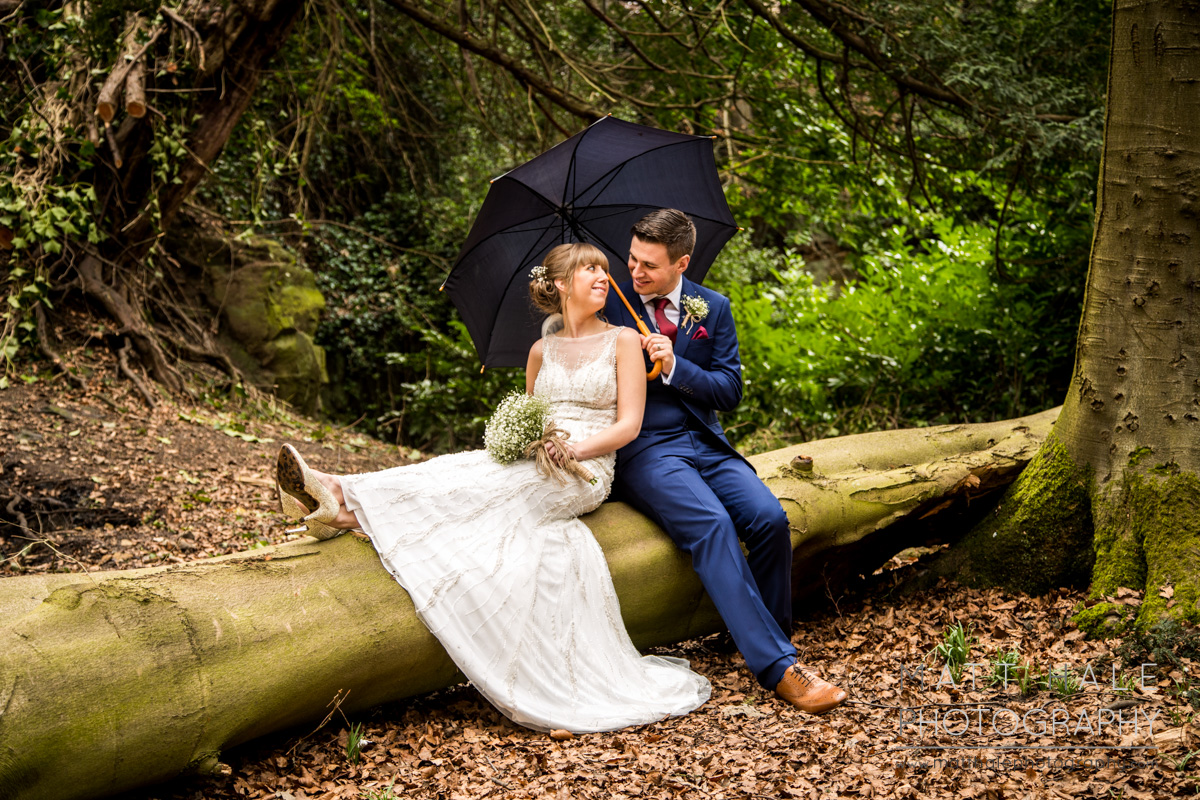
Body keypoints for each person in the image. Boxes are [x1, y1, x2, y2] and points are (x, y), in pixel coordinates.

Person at [274, 242, 710, 733]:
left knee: (489, 489)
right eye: (589, 269)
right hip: (536, 458)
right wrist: (527, 441)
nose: (603, 277)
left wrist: (574, 450)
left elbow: (629, 426)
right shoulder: (540, 351)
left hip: (585, 471)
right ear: (562, 283)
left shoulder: (625, 341)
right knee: (460, 469)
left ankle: (340, 505)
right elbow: (528, 415)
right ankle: (338, 493)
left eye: (604, 270)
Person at [603, 209, 847, 714]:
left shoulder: (710, 308)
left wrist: (675, 363)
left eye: (649, 264)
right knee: (713, 524)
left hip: (709, 444)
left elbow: (730, 390)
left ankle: (768, 638)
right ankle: (780, 668)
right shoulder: (611, 310)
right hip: (646, 449)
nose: (635, 271)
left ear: (682, 263)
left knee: (768, 519)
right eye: (631, 258)